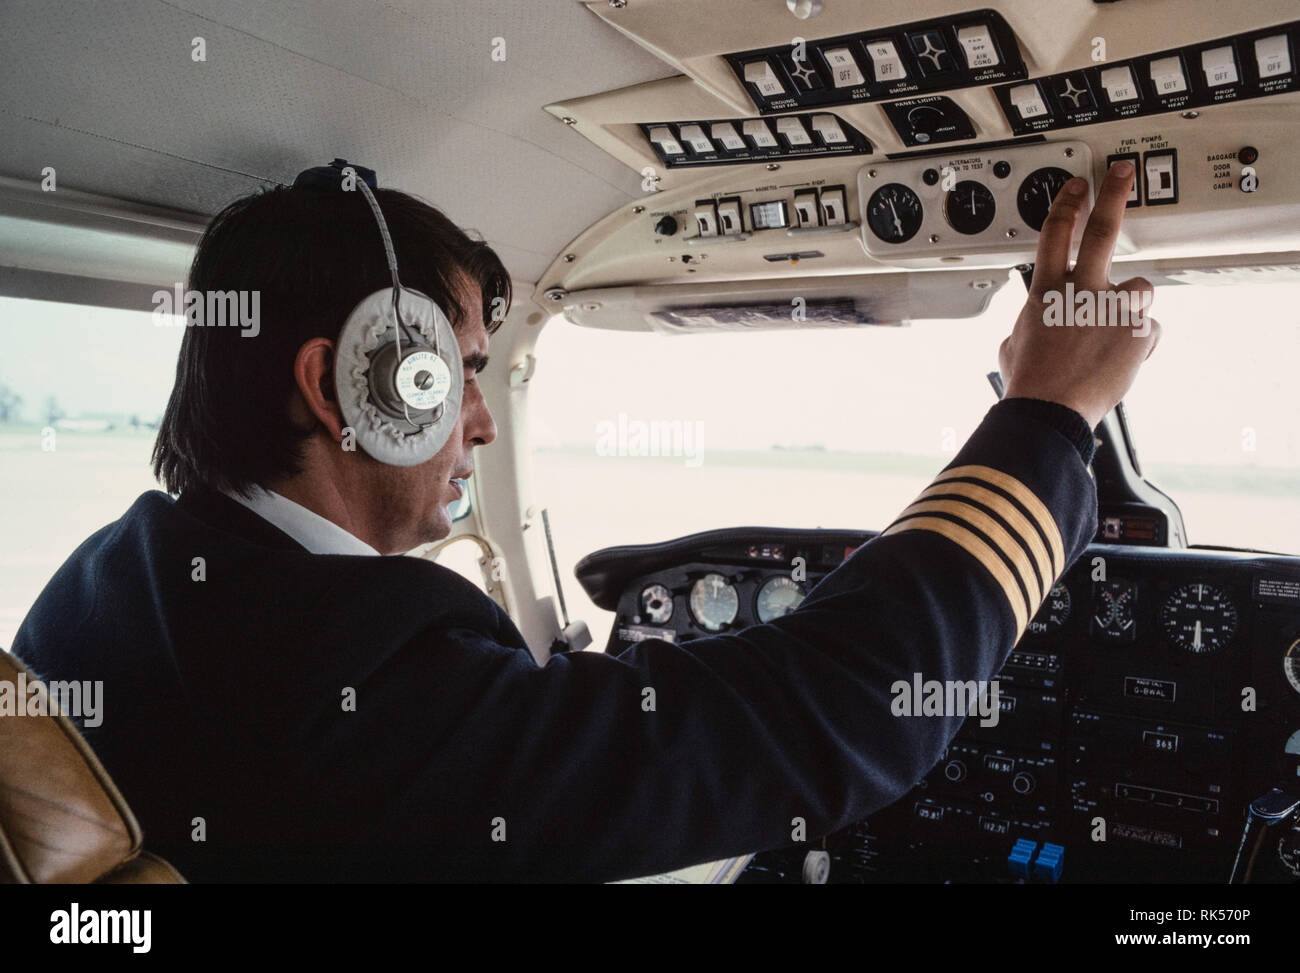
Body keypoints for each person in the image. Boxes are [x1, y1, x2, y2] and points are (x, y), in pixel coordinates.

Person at [12, 160, 1159, 882]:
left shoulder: (113, 576)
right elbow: (835, 712)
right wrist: (1046, 414)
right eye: (459, 374)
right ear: (341, 387)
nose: (482, 422)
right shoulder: (342, 683)